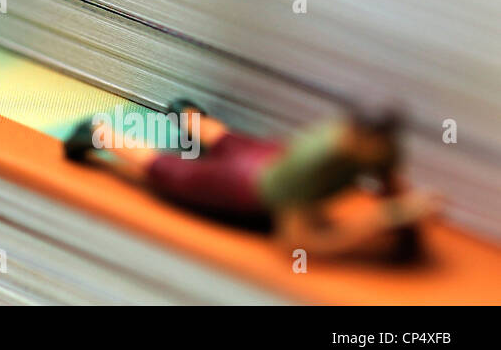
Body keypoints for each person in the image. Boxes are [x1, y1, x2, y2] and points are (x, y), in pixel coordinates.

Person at [63, 100, 437, 258]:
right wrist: (376, 223)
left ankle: (186, 115)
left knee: (227, 141)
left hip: (270, 155)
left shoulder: (380, 147)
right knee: (169, 171)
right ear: (357, 135)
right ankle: (100, 133)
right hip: (247, 187)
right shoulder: (315, 164)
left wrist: (407, 220)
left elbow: (391, 184)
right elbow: (297, 243)